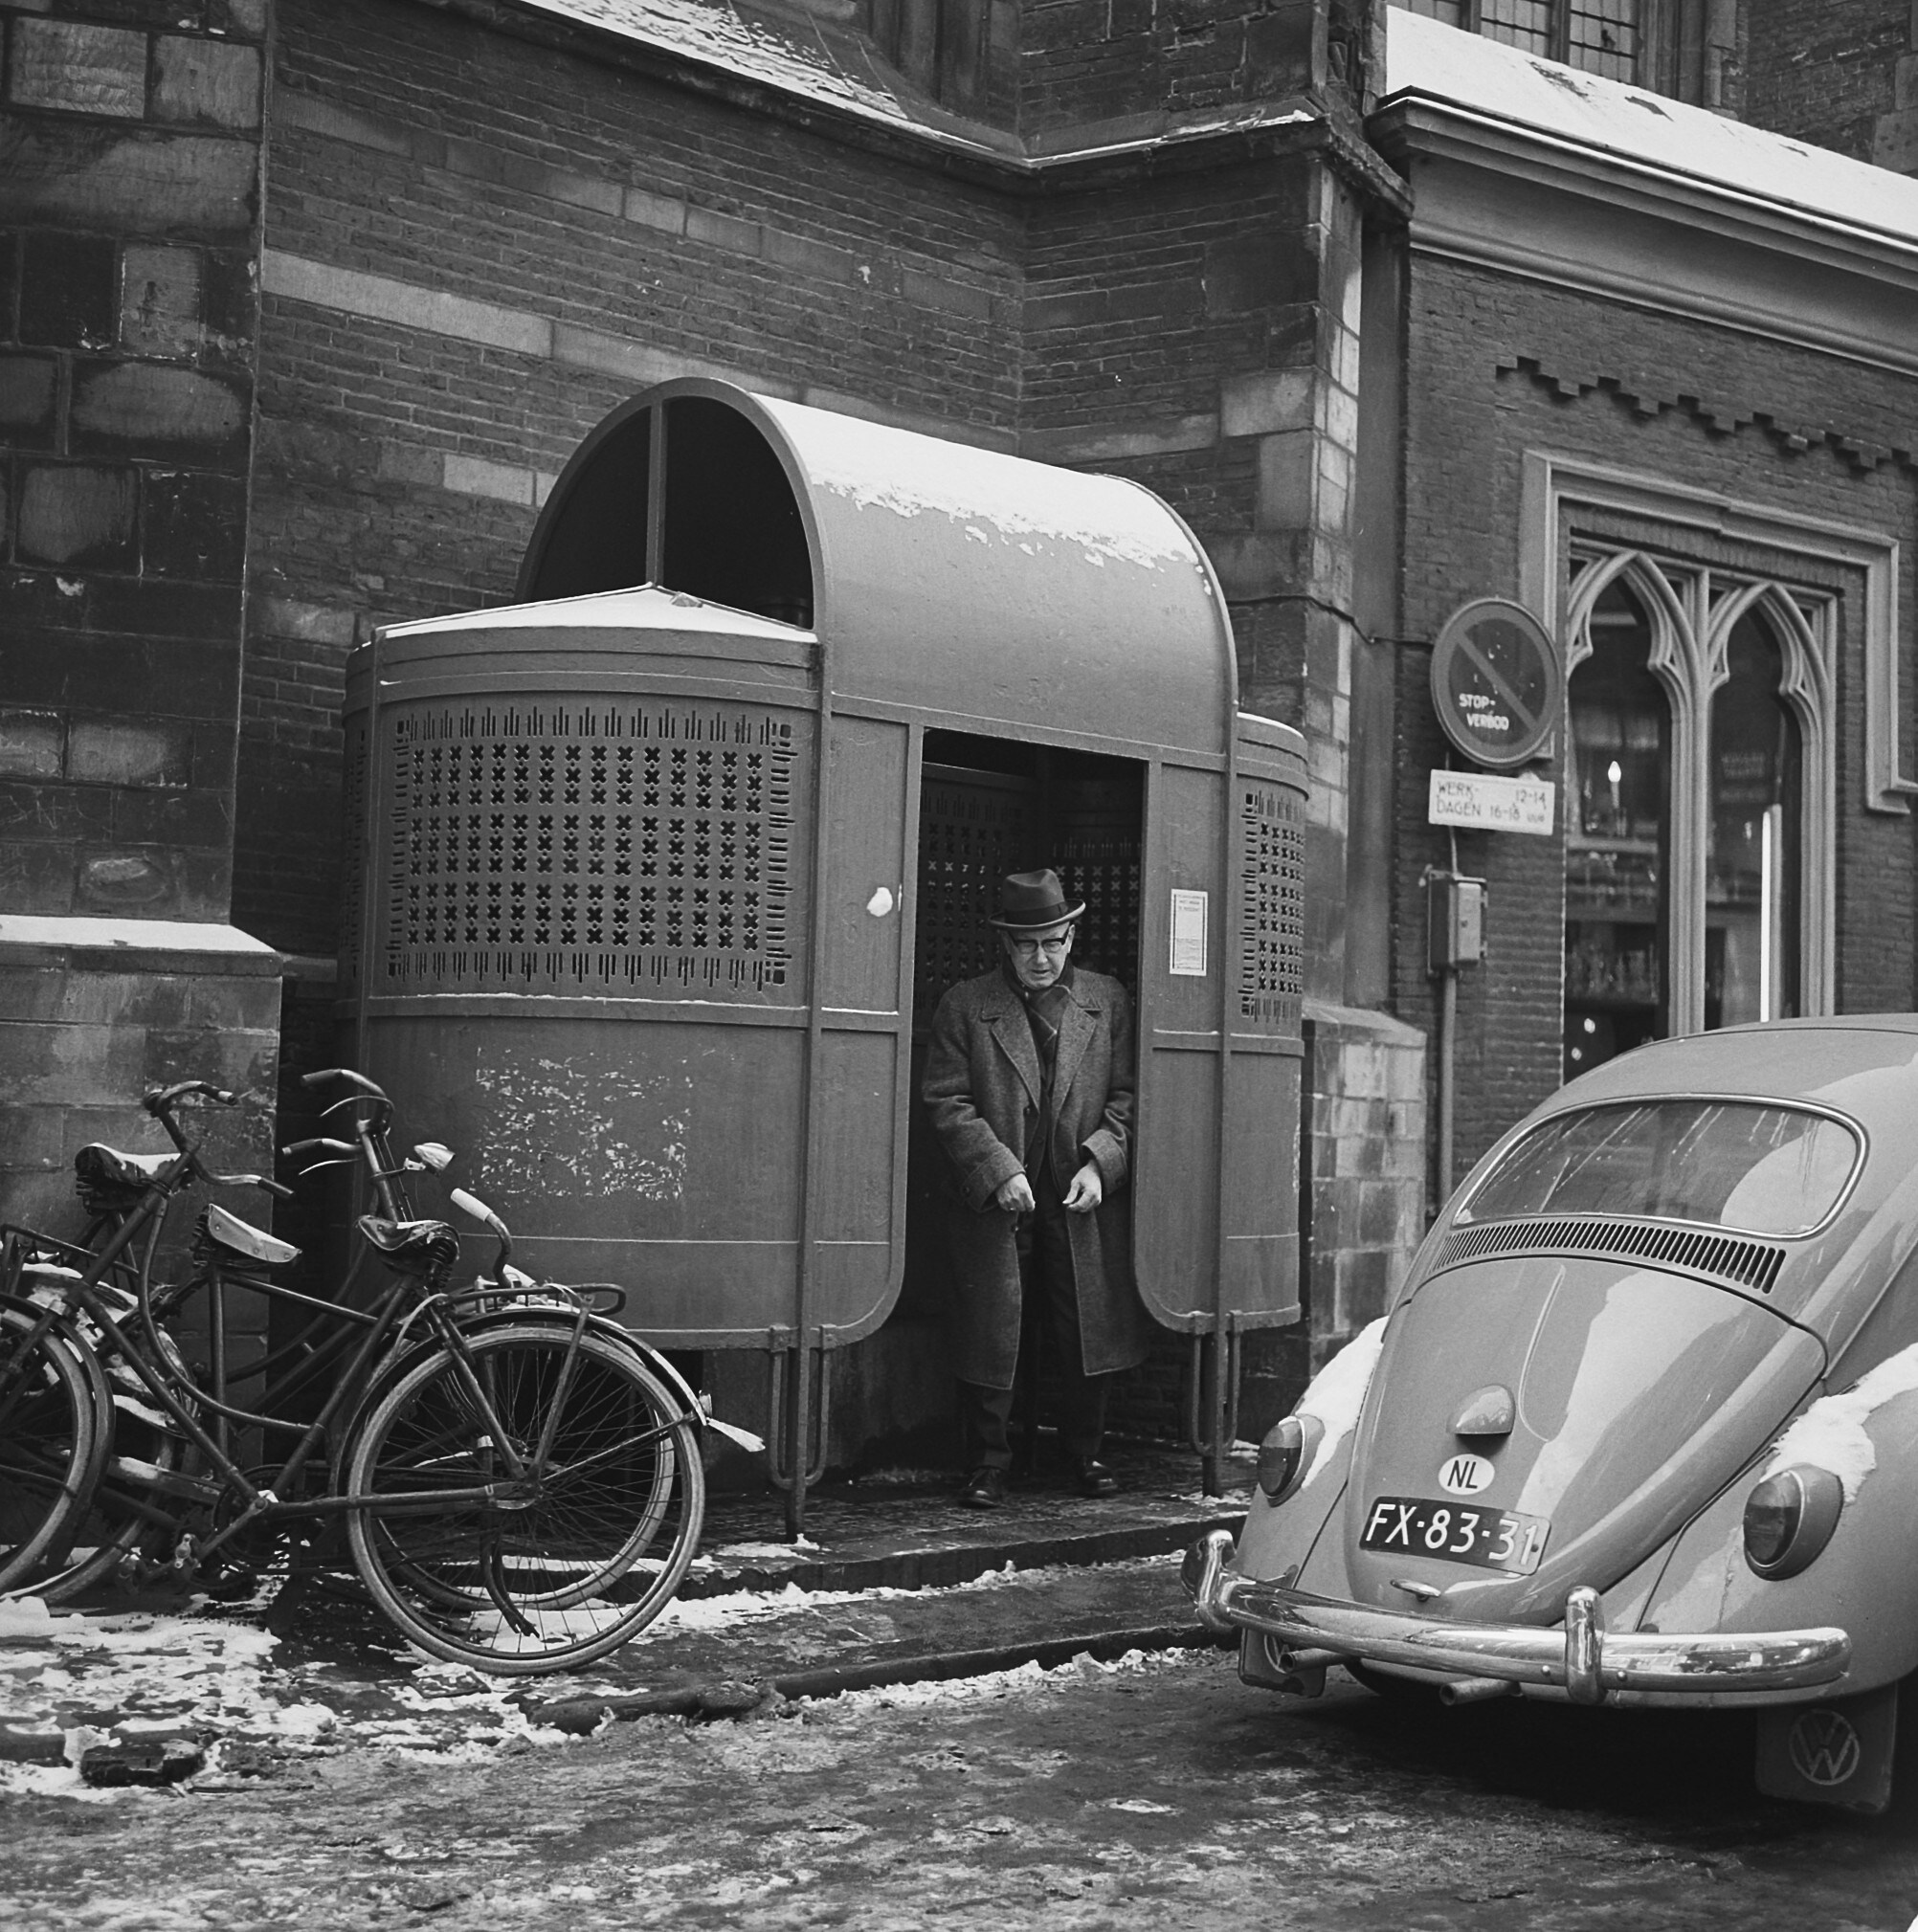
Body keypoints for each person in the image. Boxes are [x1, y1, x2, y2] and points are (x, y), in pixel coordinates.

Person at [921, 868, 1149, 1508]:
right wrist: (998, 1170)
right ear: (1007, 945)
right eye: (1026, 945)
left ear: (1071, 936)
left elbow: (1132, 1095)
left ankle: (1087, 1452)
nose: (1041, 957)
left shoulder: (1108, 1002)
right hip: (1001, 1198)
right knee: (996, 1327)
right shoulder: (966, 1005)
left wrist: (1102, 1161)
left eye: (1052, 941)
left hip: (1079, 1194)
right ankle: (989, 1462)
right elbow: (946, 1099)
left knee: (1087, 1322)